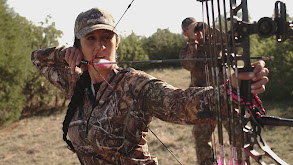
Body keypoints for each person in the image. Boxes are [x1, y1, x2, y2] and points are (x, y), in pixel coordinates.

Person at [31, 8, 269, 165]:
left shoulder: (135, 84)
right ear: (79, 46)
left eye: (106, 38)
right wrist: (65, 54)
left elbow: (179, 102)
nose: (100, 46)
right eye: (90, 39)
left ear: (116, 43)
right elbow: (38, 58)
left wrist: (231, 90)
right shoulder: (75, 81)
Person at [179, 17, 249, 164]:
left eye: (198, 28)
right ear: (185, 33)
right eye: (192, 29)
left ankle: (241, 161)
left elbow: (232, 43)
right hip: (202, 100)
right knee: (202, 138)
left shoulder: (215, 43)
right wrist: (193, 41)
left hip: (224, 96)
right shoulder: (187, 49)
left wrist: (210, 30)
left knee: (238, 133)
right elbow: (189, 64)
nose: (198, 32)